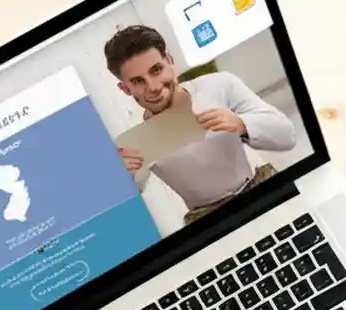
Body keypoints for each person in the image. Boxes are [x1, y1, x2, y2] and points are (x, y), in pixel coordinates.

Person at [104, 25, 296, 224]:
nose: (153, 87)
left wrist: (241, 124)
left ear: (169, 61)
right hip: (207, 221)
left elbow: (287, 135)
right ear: (125, 88)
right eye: (138, 81)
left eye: (157, 70)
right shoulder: (136, 143)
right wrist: (122, 180)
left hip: (262, 189)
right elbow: (122, 208)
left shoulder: (219, 86)